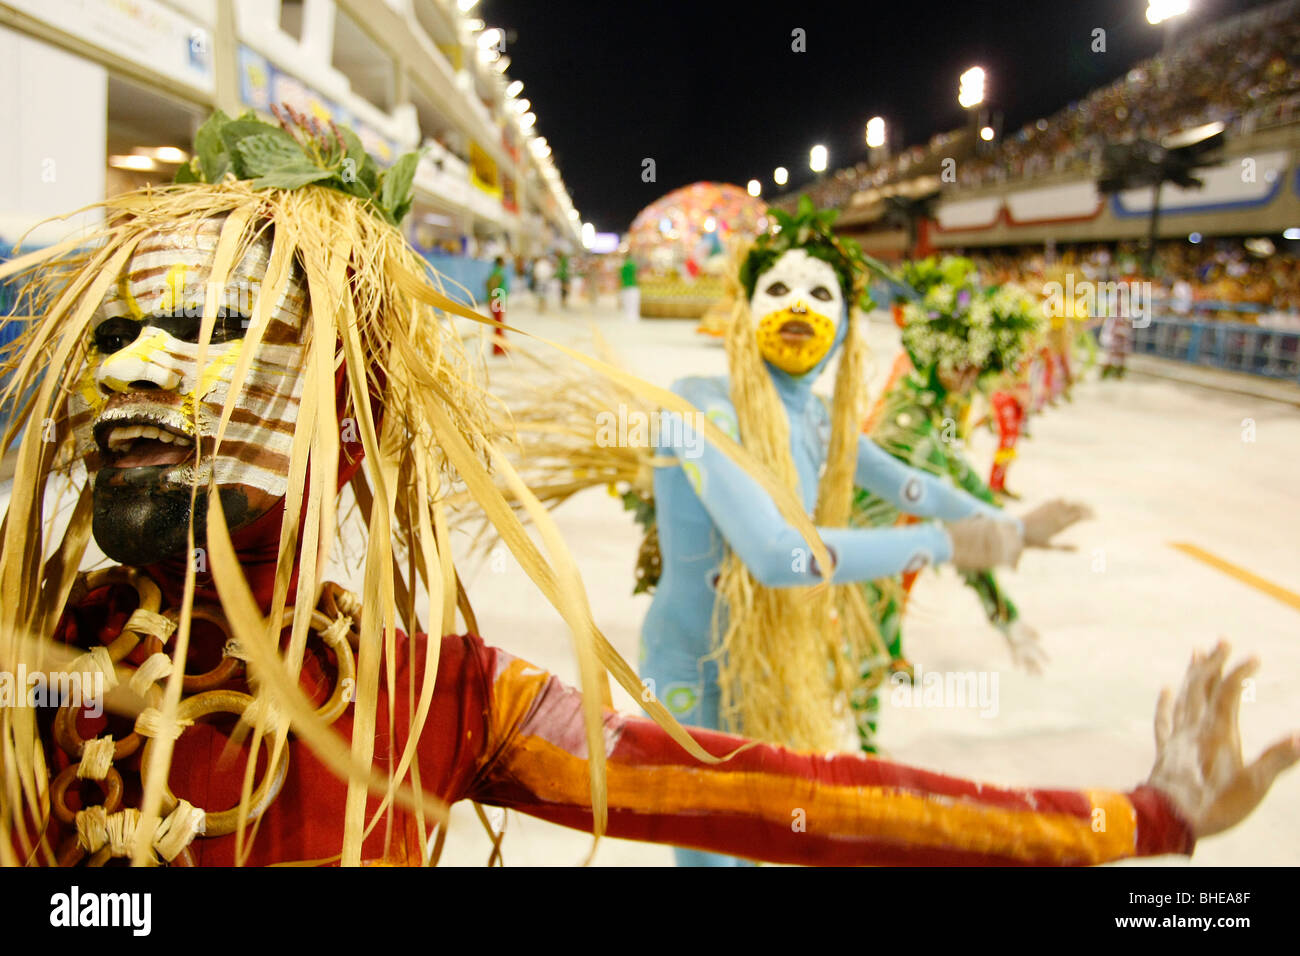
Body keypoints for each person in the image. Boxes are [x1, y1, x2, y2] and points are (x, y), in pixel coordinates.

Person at [2, 115, 1295, 869]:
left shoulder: (431, 699)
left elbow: (794, 794)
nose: (140, 369)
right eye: (109, 338)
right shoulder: (35, 672)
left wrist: (1136, 815)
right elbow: (787, 559)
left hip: (754, 678)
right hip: (699, 644)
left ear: (352, 419)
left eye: (219, 325)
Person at [486, 255, 508, 356]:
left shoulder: (496, 272)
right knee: (498, 325)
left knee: (498, 325)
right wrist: (493, 300)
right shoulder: (498, 272)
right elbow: (492, 286)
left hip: (497, 300)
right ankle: (498, 349)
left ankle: (499, 348)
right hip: (497, 301)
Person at [620, 256, 640, 322]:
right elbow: (637, 275)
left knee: (627, 303)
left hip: (625, 286)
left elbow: (620, 277)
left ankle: (628, 316)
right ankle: (633, 317)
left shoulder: (623, 266)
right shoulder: (633, 265)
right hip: (633, 286)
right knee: (633, 303)